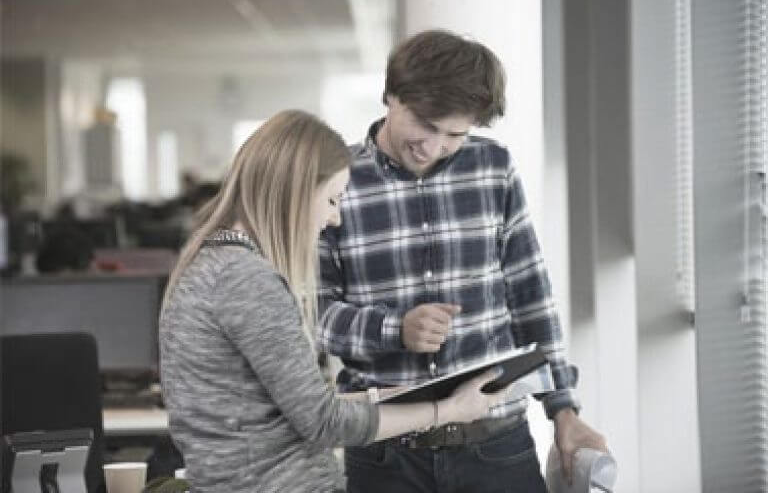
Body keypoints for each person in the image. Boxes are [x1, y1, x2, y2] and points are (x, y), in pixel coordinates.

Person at [159, 109, 515, 493]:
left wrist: (408, 393)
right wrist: (447, 411)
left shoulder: (210, 265)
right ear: (295, 192)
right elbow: (324, 422)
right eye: (331, 199)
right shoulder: (246, 281)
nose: (335, 219)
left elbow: (294, 406)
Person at [316, 29, 608, 493]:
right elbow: (313, 315)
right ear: (390, 95)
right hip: (385, 455)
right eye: (425, 124)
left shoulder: (493, 167)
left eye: (454, 134)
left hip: (497, 449)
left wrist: (564, 411)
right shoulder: (336, 182)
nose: (434, 146)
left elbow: (531, 297)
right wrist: (395, 329)